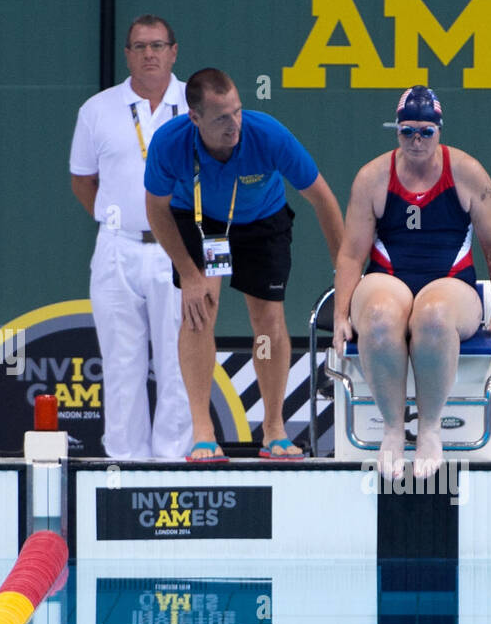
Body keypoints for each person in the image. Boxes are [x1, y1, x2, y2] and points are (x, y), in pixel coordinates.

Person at [144, 68, 344, 461]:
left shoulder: (267, 134)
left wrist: (345, 273)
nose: (234, 124)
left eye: (237, 111)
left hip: (260, 221)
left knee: (268, 321)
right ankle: (203, 430)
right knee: (199, 312)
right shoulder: (170, 143)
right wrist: (189, 274)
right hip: (199, 220)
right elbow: (156, 212)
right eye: (221, 118)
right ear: (195, 118)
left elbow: (322, 199)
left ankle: (273, 428)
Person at [332, 85, 491, 478]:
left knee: (433, 316)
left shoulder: (467, 172)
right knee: (381, 318)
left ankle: (430, 429)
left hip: (451, 282)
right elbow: (352, 253)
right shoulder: (372, 177)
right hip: (387, 278)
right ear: (396, 131)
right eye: (407, 132)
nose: (416, 141)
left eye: (425, 132)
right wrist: (339, 315)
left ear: (439, 131)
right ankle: (392, 429)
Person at [69, 14, 192, 460]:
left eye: (158, 45)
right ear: (127, 55)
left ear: (174, 51)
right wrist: (120, 220)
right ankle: (123, 464)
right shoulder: (98, 109)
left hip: (178, 249)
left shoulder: (195, 106)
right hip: (118, 248)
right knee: (121, 364)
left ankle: (172, 462)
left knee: (179, 362)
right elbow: (83, 181)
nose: (149, 54)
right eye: (139, 46)